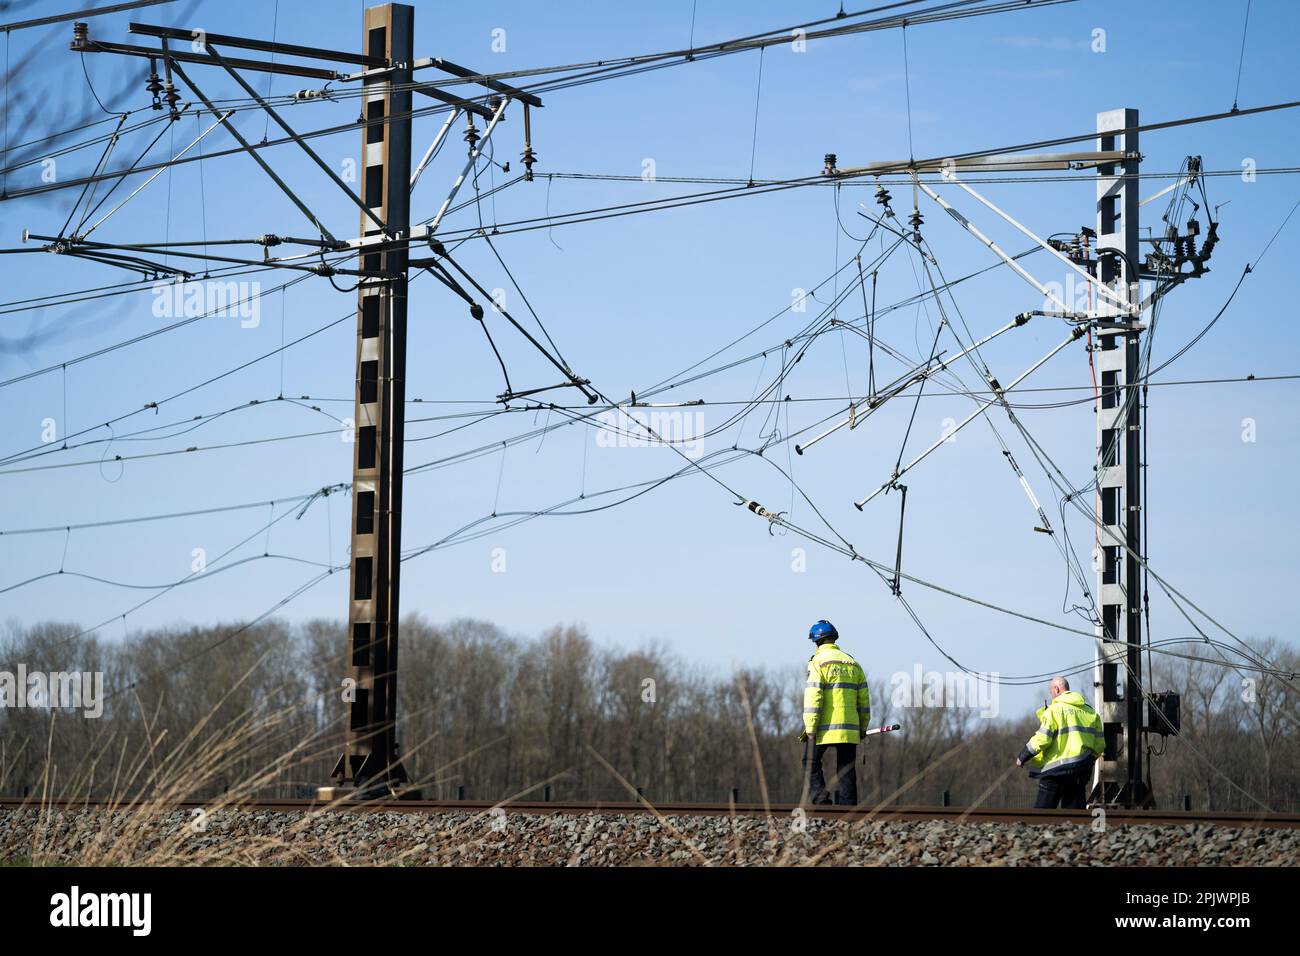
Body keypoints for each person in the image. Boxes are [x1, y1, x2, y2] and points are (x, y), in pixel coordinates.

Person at [800, 620, 870, 805]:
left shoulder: (817, 663)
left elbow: (814, 696)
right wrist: (862, 727)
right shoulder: (853, 663)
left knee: (809, 761)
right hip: (849, 728)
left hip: (823, 726)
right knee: (846, 767)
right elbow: (864, 700)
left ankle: (821, 801)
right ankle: (849, 807)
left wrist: (810, 727)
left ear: (816, 642)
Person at [1015, 676, 1105, 809]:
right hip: (1080, 771)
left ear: (1056, 689)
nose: (1051, 695)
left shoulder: (1054, 710)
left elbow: (1043, 738)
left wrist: (1024, 755)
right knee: (1075, 819)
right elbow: (1100, 745)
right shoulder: (1090, 712)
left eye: (1050, 691)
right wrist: (1087, 760)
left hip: (1055, 772)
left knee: (1040, 817)